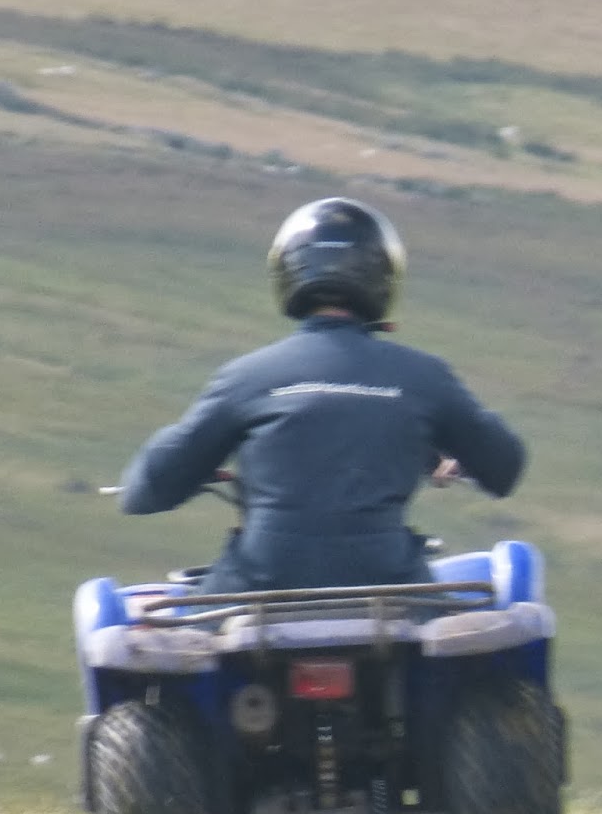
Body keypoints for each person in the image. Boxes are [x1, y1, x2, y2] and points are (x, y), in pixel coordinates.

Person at [117, 196, 525, 594]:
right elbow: (504, 467)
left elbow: (145, 490)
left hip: (256, 593)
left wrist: (184, 467)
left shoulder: (245, 377)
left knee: (153, 626)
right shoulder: (424, 376)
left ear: (288, 271)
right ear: (384, 276)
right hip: (391, 592)